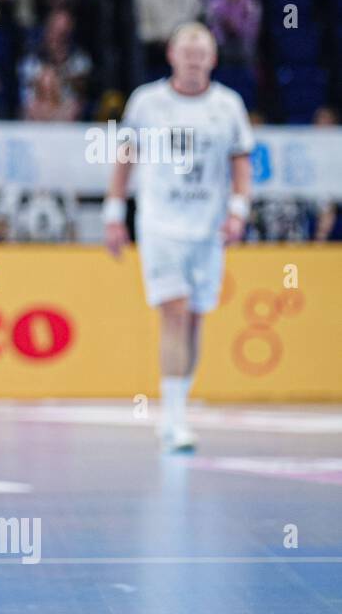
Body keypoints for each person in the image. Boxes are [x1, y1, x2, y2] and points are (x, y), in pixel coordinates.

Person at [103, 23, 252, 452]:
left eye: (201, 52)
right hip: (161, 225)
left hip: (207, 228)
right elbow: (125, 158)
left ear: (213, 59)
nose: (193, 59)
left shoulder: (228, 106)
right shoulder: (148, 103)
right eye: (186, 51)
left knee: (196, 317)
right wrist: (115, 214)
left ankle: (178, 407)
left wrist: (238, 212)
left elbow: (240, 163)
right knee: (175, 310)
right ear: (171, 55)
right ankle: (174, 418)